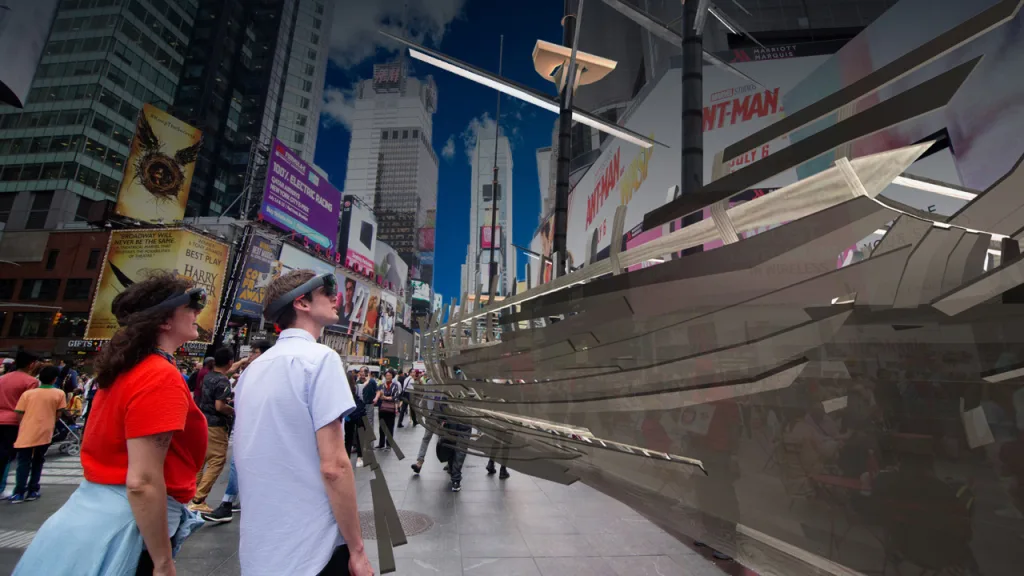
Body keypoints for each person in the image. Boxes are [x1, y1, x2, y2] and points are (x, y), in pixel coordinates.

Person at [13, 272, 208, 575]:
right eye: (193, 303)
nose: (199, 312)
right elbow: (142, 482)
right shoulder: (160, 375)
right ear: (164, 319)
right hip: (128, 525)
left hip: (94, 513)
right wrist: (163, 561)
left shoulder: (128, 368)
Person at [233, 270, 373, 576]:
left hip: (260, 551)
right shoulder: (320, 359)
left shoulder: (251, 372)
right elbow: (334, 466)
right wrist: (357, 549)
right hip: (313, 550)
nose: (337, 297)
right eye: (328, 291)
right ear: (302, 303)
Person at [201, 339, 273, 524]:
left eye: (254, 352)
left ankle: (219, 501)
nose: (251, 356)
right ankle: (227, 501)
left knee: (228, 462)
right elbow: (226, 375)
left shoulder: (268, 372)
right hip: (243, 424)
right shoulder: (250, 371)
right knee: (235, 462)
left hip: (256, 424)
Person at [7, 365, 65, 503]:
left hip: (26, 431)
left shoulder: (28, 394)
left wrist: (25, 423)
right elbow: (58, 414)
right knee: (38, 460)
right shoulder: (59, 393)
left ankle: (19, 492)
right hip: (45, 431)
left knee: (23, 462)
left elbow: (19, 413)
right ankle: (33, 490)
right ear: (55, 379)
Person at [189, 346, 235, 513]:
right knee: (216, 461)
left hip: (203, 422)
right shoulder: (223, 382)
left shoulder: (207, 376)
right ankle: (199, 498)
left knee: (201, 461)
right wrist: (232, 410)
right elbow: (220, 406)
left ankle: (194, 494)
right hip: (216, 424)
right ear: (229, 362)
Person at [0, 351, 42, 498]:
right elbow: (29, 405)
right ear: (31, 364)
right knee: (7, 456)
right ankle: (1, 487)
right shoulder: (30, 381)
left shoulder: (3, 378)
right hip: (14, 421)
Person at [344, 371, 367, 469]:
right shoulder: (358, 387)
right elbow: (362, 399)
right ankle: (359, 458)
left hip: (348, 416)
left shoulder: (343, 389)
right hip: (358, 415)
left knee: (348, 437)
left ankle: (347, 458)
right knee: (359, 436)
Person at [374, 370, 400, 451]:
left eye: (389, 375)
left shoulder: (395, 386)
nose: (388, 377)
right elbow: (379, 394)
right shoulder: (381, 385)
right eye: (387, 375)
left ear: (392, 376)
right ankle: (381, 443)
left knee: (390, 426)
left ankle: (388, 444)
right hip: (382, 408)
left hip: (391, 409)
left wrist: (386, 398)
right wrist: (386, 397)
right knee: (381, 426)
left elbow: (396, 396)